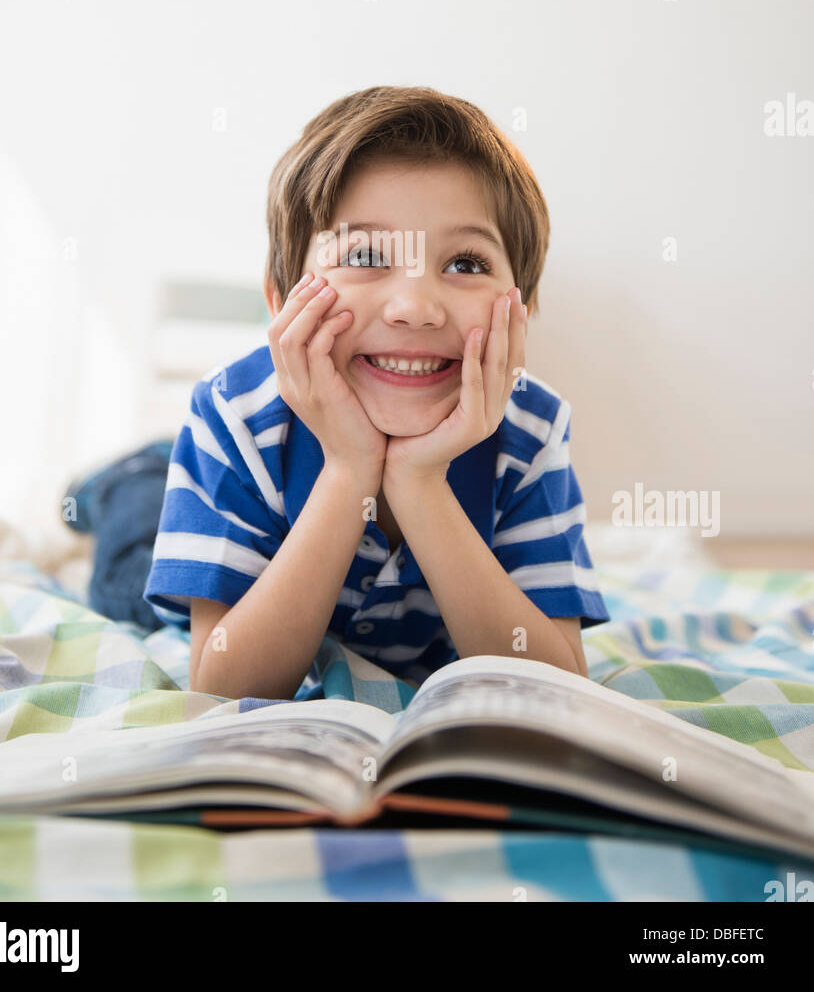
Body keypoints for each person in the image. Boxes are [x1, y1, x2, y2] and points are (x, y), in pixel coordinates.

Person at [140, 85, 610, 699]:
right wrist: (346, 469)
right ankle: (121, 480)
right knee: (127, 557)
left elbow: (556, 685)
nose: (415, 307)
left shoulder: (531, 430)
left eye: (465, 264)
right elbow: (225, 686)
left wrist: (418, 481)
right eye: (363, 254)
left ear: (522, 310)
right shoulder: (231, 414)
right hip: (179, 498)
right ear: (281, 300)